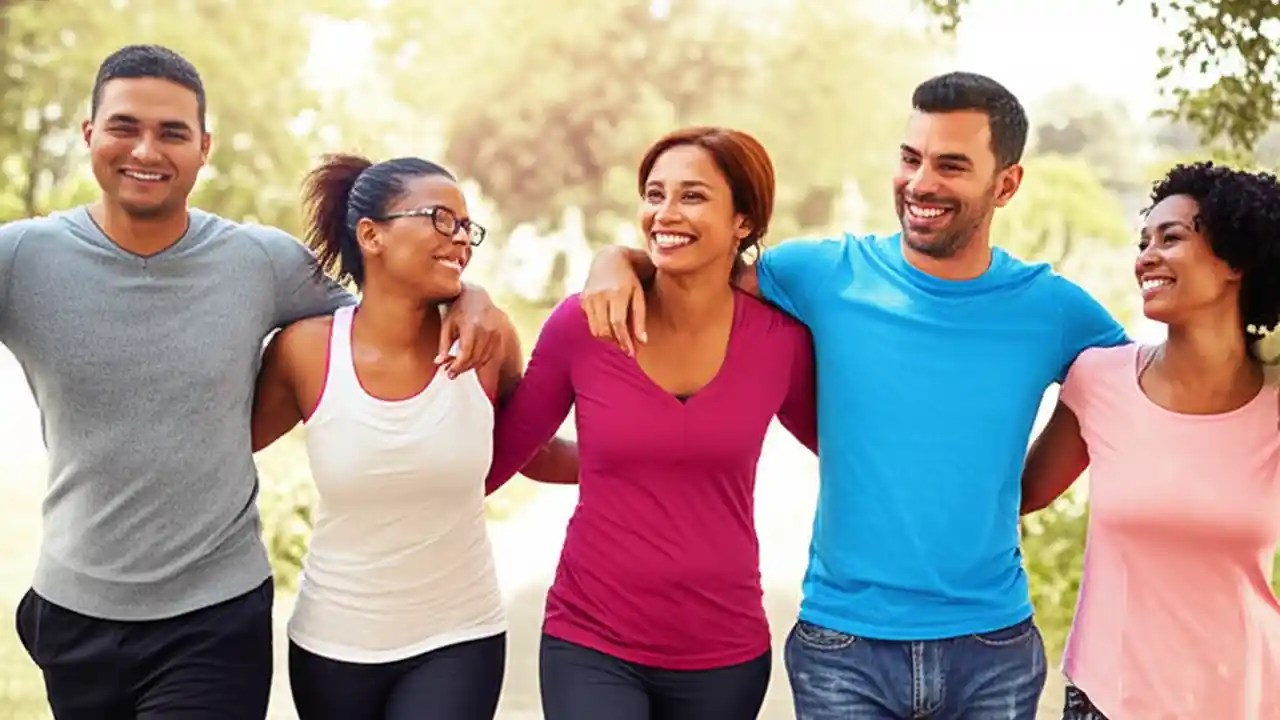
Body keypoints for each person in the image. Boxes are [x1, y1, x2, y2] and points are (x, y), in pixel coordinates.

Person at [581, 72, 1129, 719]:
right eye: (910, 158)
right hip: (844, 646)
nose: (921, 183)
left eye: (951, 165)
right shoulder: (821, 274)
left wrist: (1031, 481)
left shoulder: (1051, 309)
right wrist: (614, 259)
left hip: (991, 647)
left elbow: (1136, 390)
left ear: (1006, 184)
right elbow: (696, 265)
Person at [0, 45, 504, 719]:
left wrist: (470, 298)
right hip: (74, 612)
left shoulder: (259, 262)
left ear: (204, 147)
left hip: (214, 615)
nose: (147, 149)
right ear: (90, 133)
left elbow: (387, 304)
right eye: (125, 126)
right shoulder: (20, 261)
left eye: (173, 132)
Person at [485, 126, 818, 720]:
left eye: (692, 196)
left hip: (724, 651)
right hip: (592, 640)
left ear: (744, 220)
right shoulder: (583, 324)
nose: (665, 213)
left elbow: (850, 453)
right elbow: (505, 455)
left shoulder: (781, 344)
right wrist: (477, 316)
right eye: (655, 194)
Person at [249, 153, 578, 720]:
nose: (461, 240)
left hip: (457, 636)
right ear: (372, 235)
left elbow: (534, 451)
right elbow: (227, 446)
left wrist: (661, 454)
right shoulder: (305, 350)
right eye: (440, 219)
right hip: (332, 641)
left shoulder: (486, 338)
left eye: (466, 227)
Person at [1021, 162, 1280, 720]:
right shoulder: (1098, 379)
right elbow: (1019, 496)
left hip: (1249, 699)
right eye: (1144, 241)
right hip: (1110, 698)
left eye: (1172, 238)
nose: (1146, 256)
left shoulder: (1276, 407)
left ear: (1235, 260)